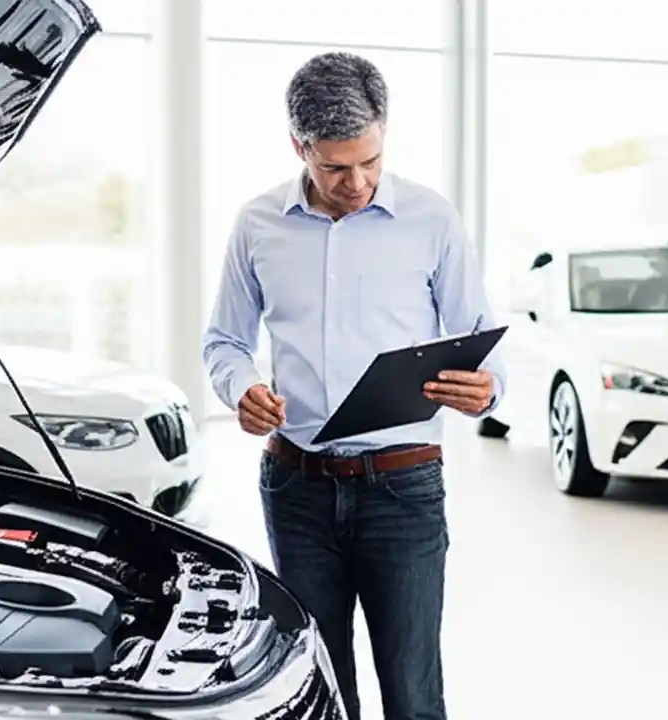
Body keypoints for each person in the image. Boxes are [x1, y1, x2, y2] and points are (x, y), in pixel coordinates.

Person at [201, 52, 506, 720]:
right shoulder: (257, 224)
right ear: (299, 147)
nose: (358, 182)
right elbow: (224, 342)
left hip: (403, 488)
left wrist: (487, 389)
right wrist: (240, 388)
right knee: (318, 688)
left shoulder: (432, 219)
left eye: (370, 160)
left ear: (384, 133)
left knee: (413, 692)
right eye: (336, 168)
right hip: (297, 489)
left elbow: (481, 335)